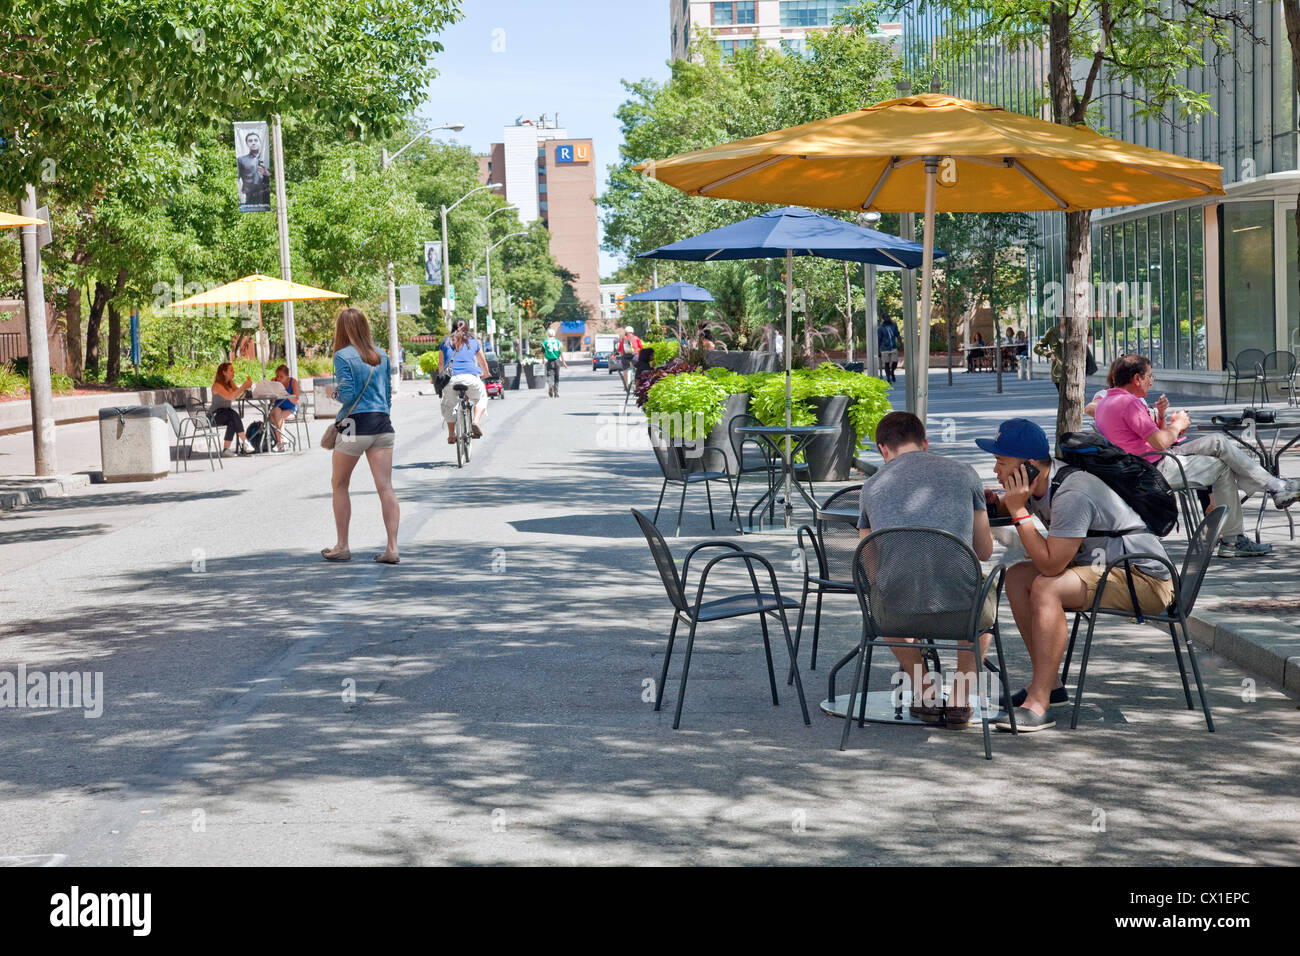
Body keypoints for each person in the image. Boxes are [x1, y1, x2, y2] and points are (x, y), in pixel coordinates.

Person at [980, 418, 1176, 732]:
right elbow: (1011, 506)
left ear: (1029, 466)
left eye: (1001, 462)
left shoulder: (1072, 494)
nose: (995, 470)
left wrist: (1018, 511)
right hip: (1107, 569)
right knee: (1017, 577)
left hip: (1145, 580)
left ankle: (1039, 701)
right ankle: (1052, 686)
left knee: (1047, 587)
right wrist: (998, 504)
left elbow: (1051, 566)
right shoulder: (1043, 480)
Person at [857, 412, 994, 727]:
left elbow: (870, 562)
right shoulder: (965, 474)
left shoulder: (871, 486)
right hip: (962, 610)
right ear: (925, 443)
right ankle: (960, 698)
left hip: (898, 612)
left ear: (882, 449)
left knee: (883, 594)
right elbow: (984, 552)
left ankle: (926, 691)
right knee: (980, 599)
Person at [1093, 353, 1300, 558]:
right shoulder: (1129, 403)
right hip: (1154, 469)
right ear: (1137, 378)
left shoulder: (1106, 402)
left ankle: (1272, 488)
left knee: (1218, 441)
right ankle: (1235, 536)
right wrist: (1178, 424)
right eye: (1149, 376)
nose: (1151, 381)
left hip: (1142, 464)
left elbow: (1150, 438)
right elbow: (1160, 442)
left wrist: (1166, 420)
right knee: (1223, 466)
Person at [323, 308, 399, 565]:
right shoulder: (382, 355)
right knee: (385, 487)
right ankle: (392, 548)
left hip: (353, 425)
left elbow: (348, 394)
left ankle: (342, 546)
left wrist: (332, 393)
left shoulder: (342, 355)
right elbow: (387, 394)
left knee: (339, 483)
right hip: (382, 423)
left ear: (342, 329)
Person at [440, 318, 490, 443]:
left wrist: (442, 379)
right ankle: (475, 421)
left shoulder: (445, 342)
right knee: (481, 397)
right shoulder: (473, 342)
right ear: (467, 328)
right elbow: (482, 361)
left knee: (448, 405)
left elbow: (441, 364)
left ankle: (451, 435)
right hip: (470, 378)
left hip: (451, 379)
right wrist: (486, 373)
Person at [210, 363, 254, 457]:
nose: (234, 372)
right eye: (231, 370)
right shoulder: (217, 385)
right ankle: (245, 442)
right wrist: (242, 387)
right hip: (214, 415)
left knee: (232, 420)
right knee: (233, 415)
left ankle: (226, 450)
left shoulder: (230, 383)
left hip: (226, 413)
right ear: (224, 372)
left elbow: (239, 395)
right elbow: (230, 397)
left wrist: (247, 388)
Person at [268, 364, 303, 452]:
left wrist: (287, 395)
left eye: (281, 377)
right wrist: (273, 394)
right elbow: (272, 401)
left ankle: (280, 442)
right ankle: (282, 439)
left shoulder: (293, 382)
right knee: (276, 412)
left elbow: (296, 400)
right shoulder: (273, 381)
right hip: (278, 408)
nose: (278, 379)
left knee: (273, 418)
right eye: (277, 376)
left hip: (290, 409)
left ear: (287, 377)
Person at [236, 131, 270, 208]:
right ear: (247, 143)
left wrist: (266, 173)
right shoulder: (241, 160)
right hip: (248, 197)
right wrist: (240, 194)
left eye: (256, 140)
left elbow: (275, 178)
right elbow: (237, 179)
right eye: (250, 141)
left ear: (260, 142)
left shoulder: (267, 158)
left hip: (266, 196)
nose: (253, 143)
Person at [542, 324, 567, 397]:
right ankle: (556, 393)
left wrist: (543, 360)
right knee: (556, 377)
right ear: (554, 334)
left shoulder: (545, 342)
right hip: (557, 360)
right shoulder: (558, 342)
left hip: (549, 361)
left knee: (550, 375)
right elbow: (561, 352)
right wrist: (563, 362)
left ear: (548, 334)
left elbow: (542, 352)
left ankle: (550, 385)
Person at [615, 326, 642, 390]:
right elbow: (641, 347)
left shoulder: (623, 339)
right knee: (637, 368)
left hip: (625, 356)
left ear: (626, 332)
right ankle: (637, 383)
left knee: (625, 370)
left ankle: (626, 386)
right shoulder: (636, 338)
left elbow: (619, 349)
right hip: (634, 355)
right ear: (632, 331)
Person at [877, 315, 900, 383]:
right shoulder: (881, 328)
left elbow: (897, 334)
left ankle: (892, 372)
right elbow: (879, 340)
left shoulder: (894, 325)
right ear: (883, 319)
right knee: (886, 363)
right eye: (886, 317)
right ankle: (888, 378)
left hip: (893, 347)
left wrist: (900, 341)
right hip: (884, 348)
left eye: (888, 317)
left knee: (895, 362)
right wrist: (878, 350)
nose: (888, 318)